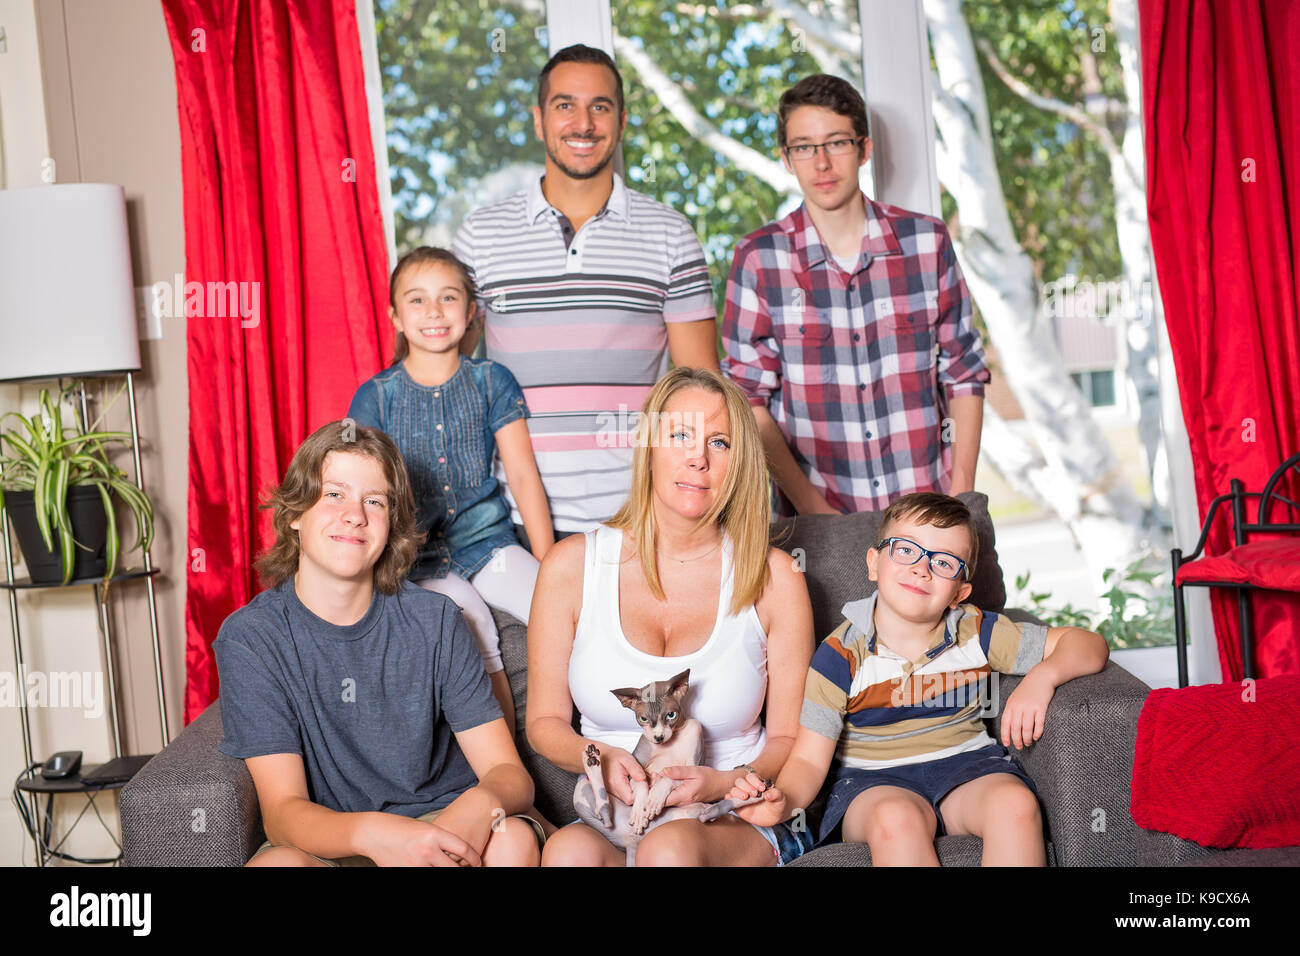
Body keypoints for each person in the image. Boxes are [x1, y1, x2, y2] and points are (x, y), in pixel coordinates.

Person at [214, 421, 543, 866]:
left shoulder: (437, 620)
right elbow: (282, 813)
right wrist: (376, 836)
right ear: (294, 512)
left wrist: (472, 812)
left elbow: (510, 776)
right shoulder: (251, 638)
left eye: (375, 501)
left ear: (392, 526)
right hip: (341, 839)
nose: (355, 514)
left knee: (512, 839)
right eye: (334, 494)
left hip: (445, 827)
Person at [528, 367, 816, 866]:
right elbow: (545, 722)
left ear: (739, 462)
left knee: (669, 850)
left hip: (732, 813)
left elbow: (792, 737)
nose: (697, 458)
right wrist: (603, 758)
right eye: (679, 434)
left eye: (720, 442)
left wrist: (723, 782)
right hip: (619, 813)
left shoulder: (777, 578)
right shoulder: (571, 566)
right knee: (566, 852)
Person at [725, 492, 1109, 865]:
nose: (921, 568)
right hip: (871, 784)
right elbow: (808, 758)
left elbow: (1088, 645)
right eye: (906, 550)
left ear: (959, 591)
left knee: (1016, 805)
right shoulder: (839, 655)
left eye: (943, 563)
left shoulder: (977, 631)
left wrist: (1043, 677)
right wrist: (785, 800)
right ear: (874, 563)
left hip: (967, 767)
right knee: (898, 819)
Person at [453, 44, 720, 539]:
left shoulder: (670, 233)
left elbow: (701, 391)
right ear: (539, 120)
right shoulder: (480, 235)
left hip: (643, 515)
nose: (583, 123)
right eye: (564, 105)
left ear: (621, 122)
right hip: (511, 520)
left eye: (600, 106)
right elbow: (449, 383)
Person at [721, 74, 990, 516]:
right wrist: (815, 513)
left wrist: (960, 498)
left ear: (864, 149)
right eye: (804, 147)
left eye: (836, 143)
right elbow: (747, 402)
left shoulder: (926, 242)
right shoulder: (759, 259)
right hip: (816, 523)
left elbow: (964, 375)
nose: (821, 163)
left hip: (929, 514)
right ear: (787, 159)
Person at [347, 246, 553, 730]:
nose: (434, 312)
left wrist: (550, 568)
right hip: (414, 554)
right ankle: (505, 763)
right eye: (416, 301)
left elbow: (523, 476)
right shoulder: (374, 396)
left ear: (470, 312)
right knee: (471, 623)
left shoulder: (492, 380)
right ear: (395, 316)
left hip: (488, 540)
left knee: (555, 611)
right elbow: (358, 485)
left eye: (448, 298)